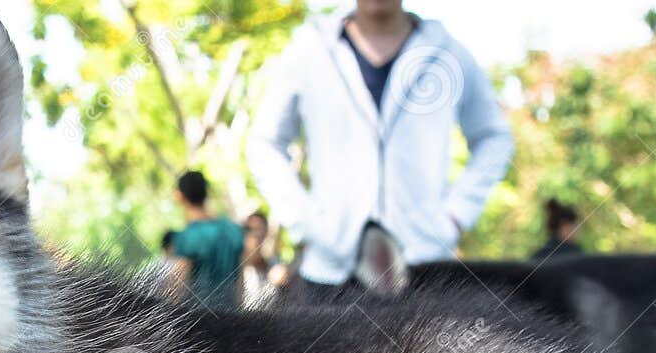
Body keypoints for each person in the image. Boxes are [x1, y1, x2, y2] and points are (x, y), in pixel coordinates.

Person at [247, 0, 513, 300]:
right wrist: (307, 223)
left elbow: (494, 136)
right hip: (330, 276)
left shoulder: (450, 52)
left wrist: (455, 215)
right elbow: (264, 142)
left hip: (426, 272)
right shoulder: (309, 50)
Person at [168, 170, 245, 311]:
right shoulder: (233, 230)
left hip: (199, 323)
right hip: (231, 319)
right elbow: (240, 281)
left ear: (179, 196)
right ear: (206, 193)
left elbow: (178, 286)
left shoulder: (187, 237)